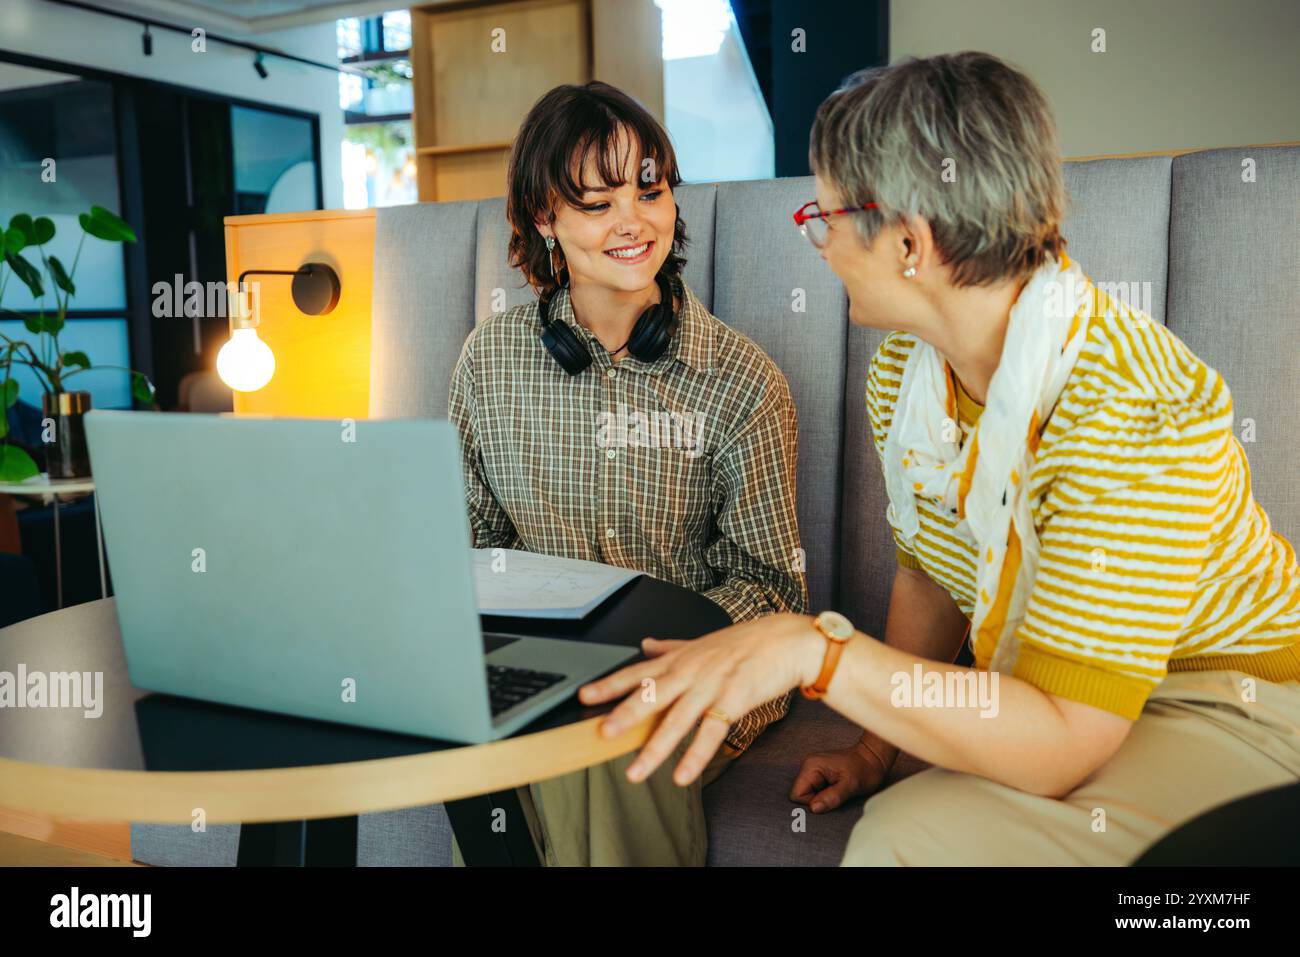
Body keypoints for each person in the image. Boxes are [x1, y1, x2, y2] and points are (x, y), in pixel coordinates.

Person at [578, 52, 1300, 865]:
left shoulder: (1131, 414)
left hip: (1221, 702)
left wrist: (813, 650)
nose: (817, 241)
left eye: (827, 216)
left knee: (910, 840)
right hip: (1067, 697)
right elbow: (931, 570)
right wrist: (874, 749)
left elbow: (1065, 735)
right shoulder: (906, 372)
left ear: (911, 243)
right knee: (904, 823)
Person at [448, 81, 807, 865]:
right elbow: (468, 552)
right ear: (544, 217)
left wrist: (659, 659)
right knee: (477, 714)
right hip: (540, 658)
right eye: (597, 201)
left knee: (603, 726)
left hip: (700, 667)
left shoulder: (743, 380)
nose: (633, 220)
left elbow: (775, 589)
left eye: (650, 189)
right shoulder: (488, 363)